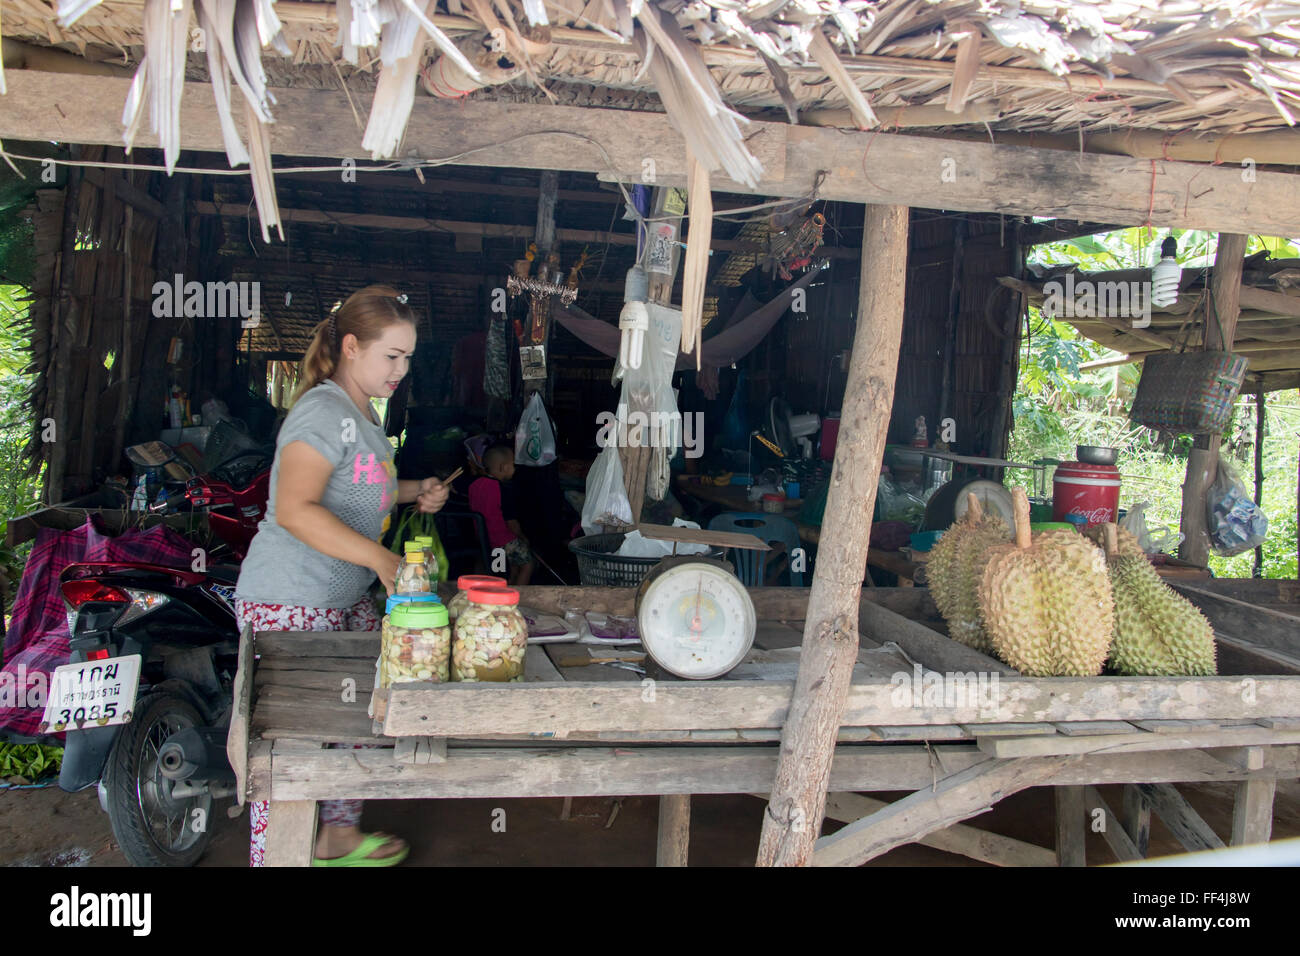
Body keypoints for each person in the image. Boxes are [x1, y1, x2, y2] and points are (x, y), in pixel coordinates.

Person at [233, 285, 449, 867]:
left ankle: (337, 836)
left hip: (342, 598)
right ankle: (276, 857)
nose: (401, 370)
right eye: (391, 356)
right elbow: (296, 508)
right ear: (352, 347)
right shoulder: (322, 411)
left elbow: (357, 486)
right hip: (291, 599)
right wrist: (383, 560)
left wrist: (412, 492)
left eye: (408, 358)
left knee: (360, 716)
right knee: (291, 744)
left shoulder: (363, 417)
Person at [468, 445, 534, 585]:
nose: (514, 469)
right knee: (527, 564)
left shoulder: (474, 485)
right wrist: (522, 537)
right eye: (513, 465)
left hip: (484, 539)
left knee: (510, 565)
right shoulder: (502, 490)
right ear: (504, 467)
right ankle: (519, 596)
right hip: (503, 540)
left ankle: (509, 584)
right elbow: (512, 523)